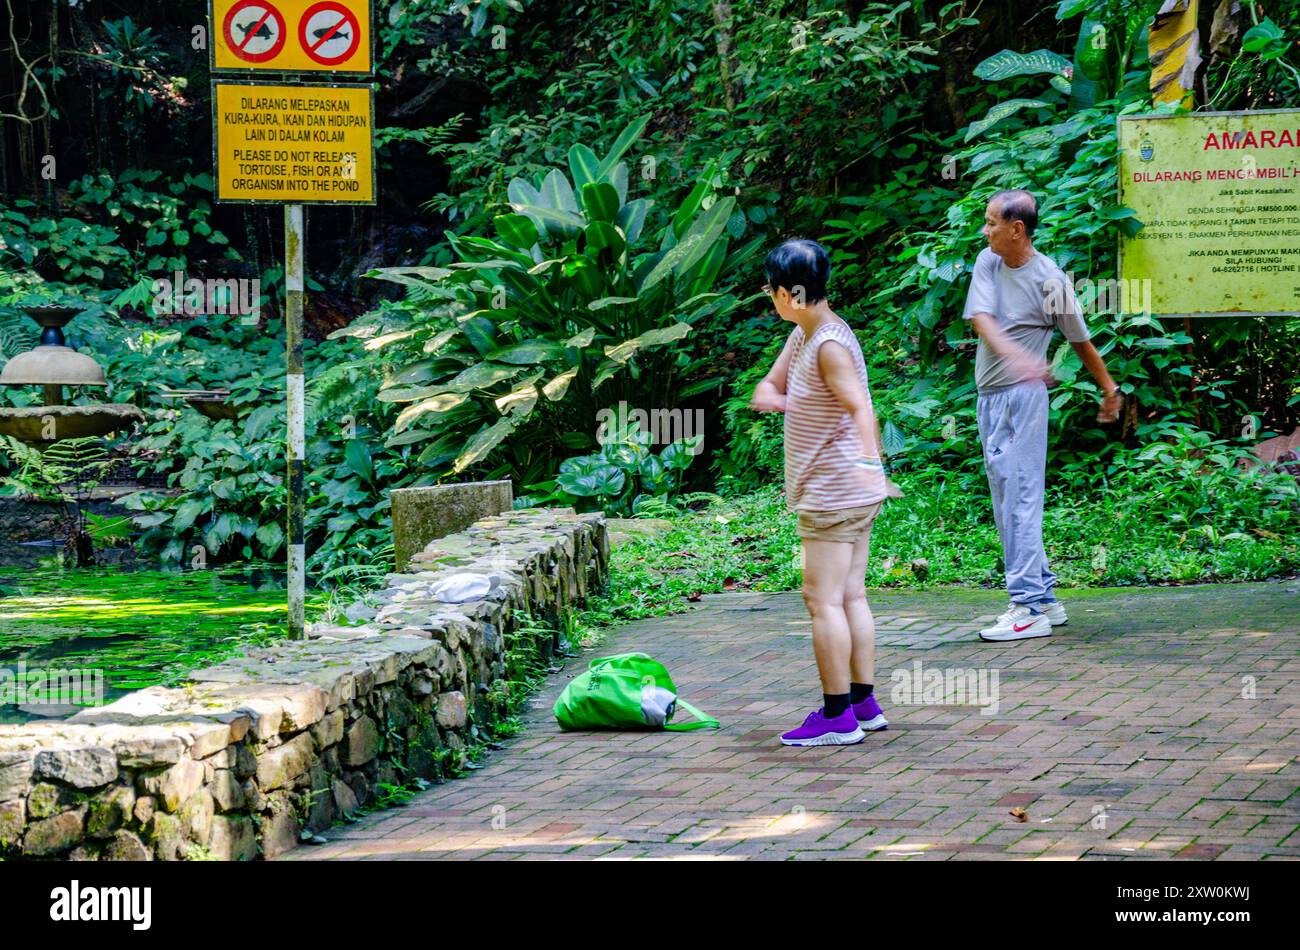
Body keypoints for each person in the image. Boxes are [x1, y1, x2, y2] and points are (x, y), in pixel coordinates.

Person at [962, 189, 1122, 642]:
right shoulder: (989, 262)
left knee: (1021, 497)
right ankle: (1046, 597)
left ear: (1017, 229)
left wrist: (1108, 389)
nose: (985, 229)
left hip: (1023, 398)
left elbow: (1080, 340)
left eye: (991, 222)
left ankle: (1027, 606)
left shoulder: (1050, 280)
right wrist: (1018, 354)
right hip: (991, 396)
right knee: (1007, 499)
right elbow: (981, 319)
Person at [750, 238, 891, 746]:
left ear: (789, 293)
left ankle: (837, 717)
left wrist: (871, 464)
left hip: (835, 492)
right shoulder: (805, 335)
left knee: (822, 600)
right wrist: (787, 402)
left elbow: (859, 406)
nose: (770, 298)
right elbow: (766, 389)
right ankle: (863, 703)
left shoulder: (828, 345)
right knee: (849, 594)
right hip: (847, 490)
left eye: (771, 289)